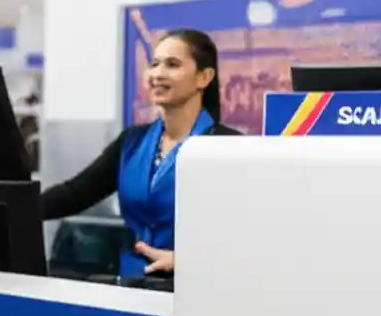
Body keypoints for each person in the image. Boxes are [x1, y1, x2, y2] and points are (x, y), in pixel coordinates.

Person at [40, 29, 239, 280]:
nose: (157, 74)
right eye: (154, 64)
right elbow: (76, 193)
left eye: (172, 64)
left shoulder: (229, 147)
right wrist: (11, 208)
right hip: (136, 283)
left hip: (201, 287)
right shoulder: (133, 142)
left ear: (204, 77)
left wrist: (187, 260)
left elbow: (247, 234)